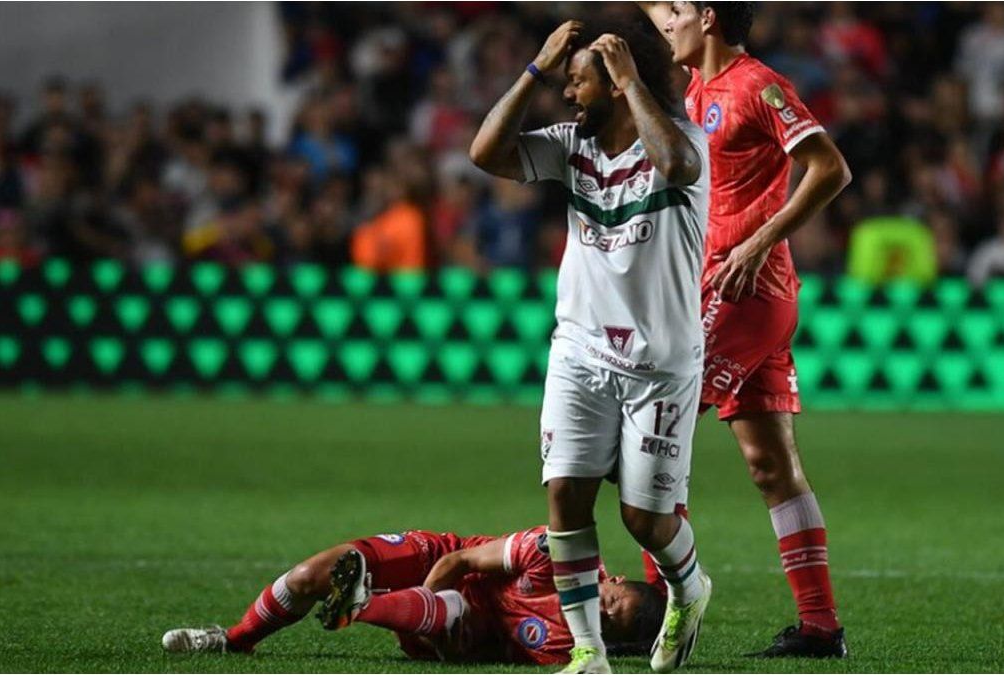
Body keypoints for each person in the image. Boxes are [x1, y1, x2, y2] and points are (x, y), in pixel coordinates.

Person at [470, 18, 711, 675]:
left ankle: (690, 586)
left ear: (617, 80)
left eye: (578, 81)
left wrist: (632, 81)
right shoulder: (568, 145)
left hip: (660, 365)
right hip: (580, 352)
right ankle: (588, 652)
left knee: (644, 519)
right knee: (565, 497)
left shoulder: (682, 139)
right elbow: (485, 153)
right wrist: (535, 68)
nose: (568, 93)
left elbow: (678, 166)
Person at [637, 1, 852, 659]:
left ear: (707, 17)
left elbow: (830, 168)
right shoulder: (697, 82)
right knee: (771, 465)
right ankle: (821, 627)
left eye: (679, 13)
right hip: (734, 292)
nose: (666, 23)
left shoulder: (758, 85)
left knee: (653, 434)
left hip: (743, 290)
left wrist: (759, 241)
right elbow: (658, 11)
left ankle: (663, 605)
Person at [160, 525, 665, 666]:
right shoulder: (556, 551)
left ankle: (359, 605)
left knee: (452, 611)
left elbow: (482, 654)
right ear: (613, 579)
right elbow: (460, 562)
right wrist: (417, 601)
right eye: (610, 602)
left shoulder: (565, 648)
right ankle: (235, 639)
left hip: (455, 628)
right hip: (439, 560)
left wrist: (436, 636)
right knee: (308, 577)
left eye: (608, 623)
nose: (598, 612)